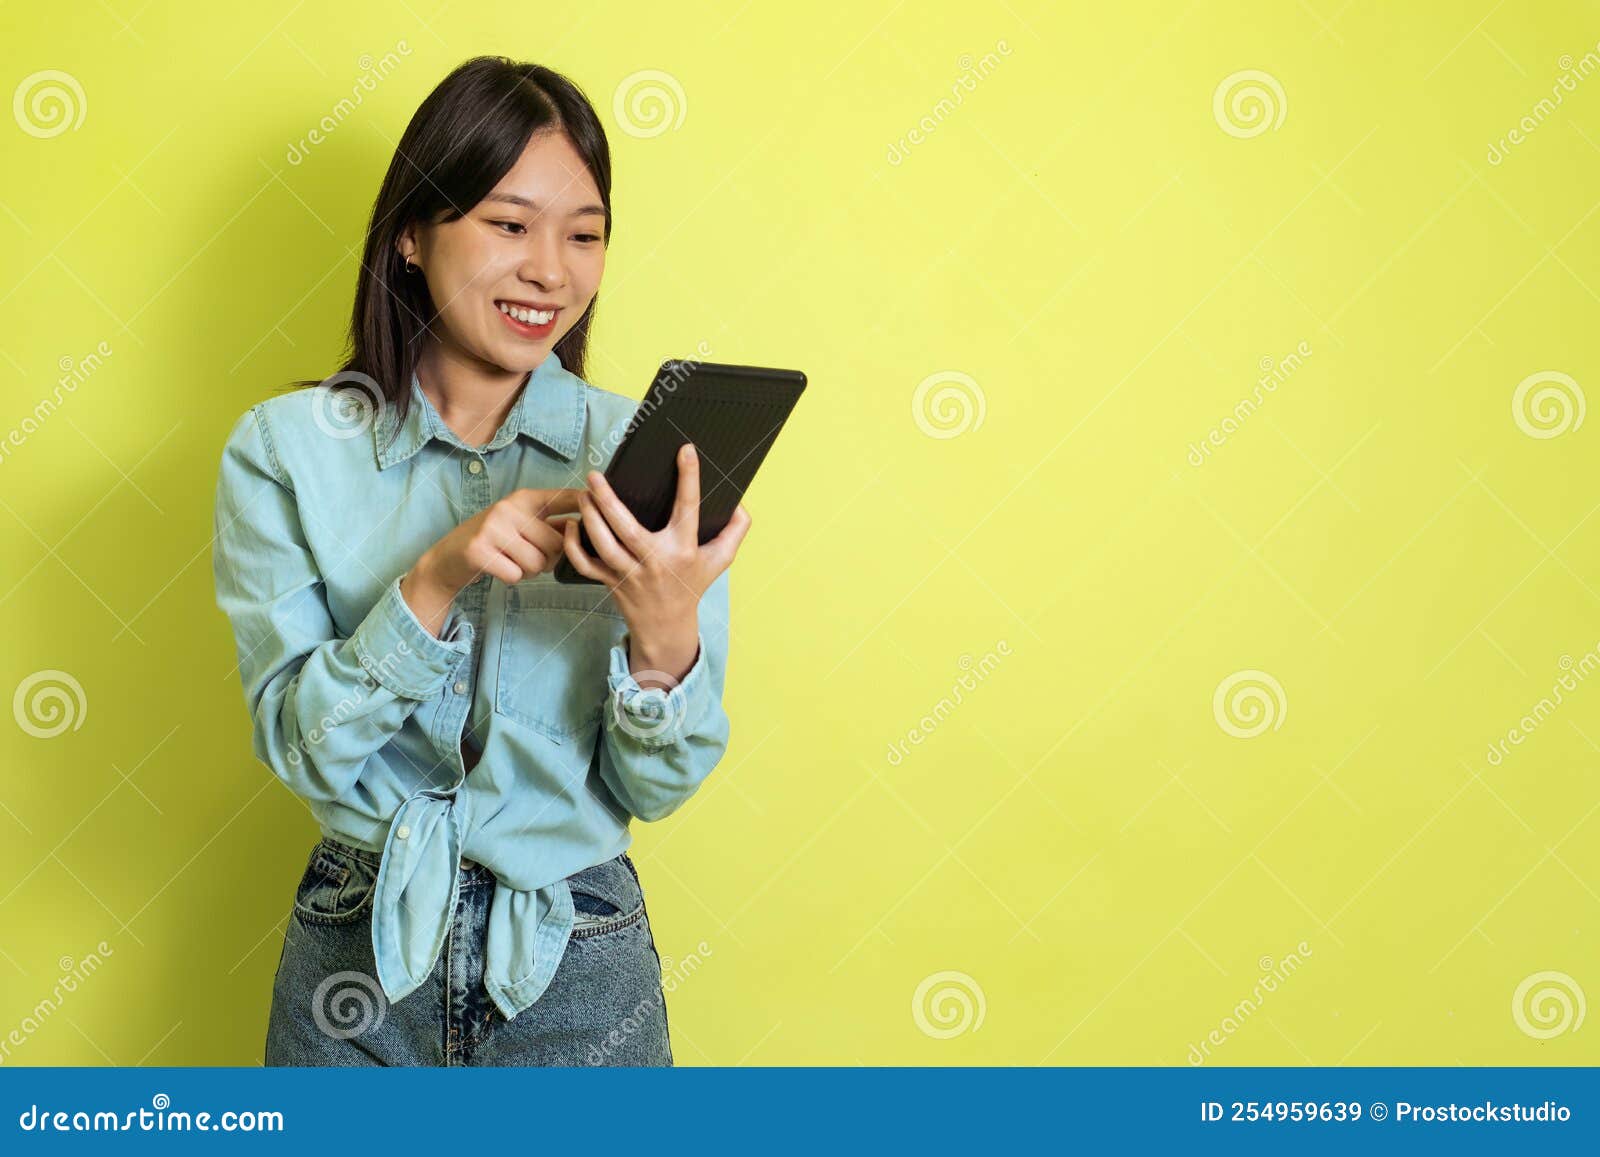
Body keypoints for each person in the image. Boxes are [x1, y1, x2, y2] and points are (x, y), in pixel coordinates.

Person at [211, 55, 750, 1066]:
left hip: (580, 957)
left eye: (584, 233)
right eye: (509, 224)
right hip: (354, 954)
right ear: (410, 234)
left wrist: (664, 633)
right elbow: (303, 745)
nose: (552, 269)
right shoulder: (284, 450)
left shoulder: (637, 453)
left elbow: (658, 785)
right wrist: (431, 580)